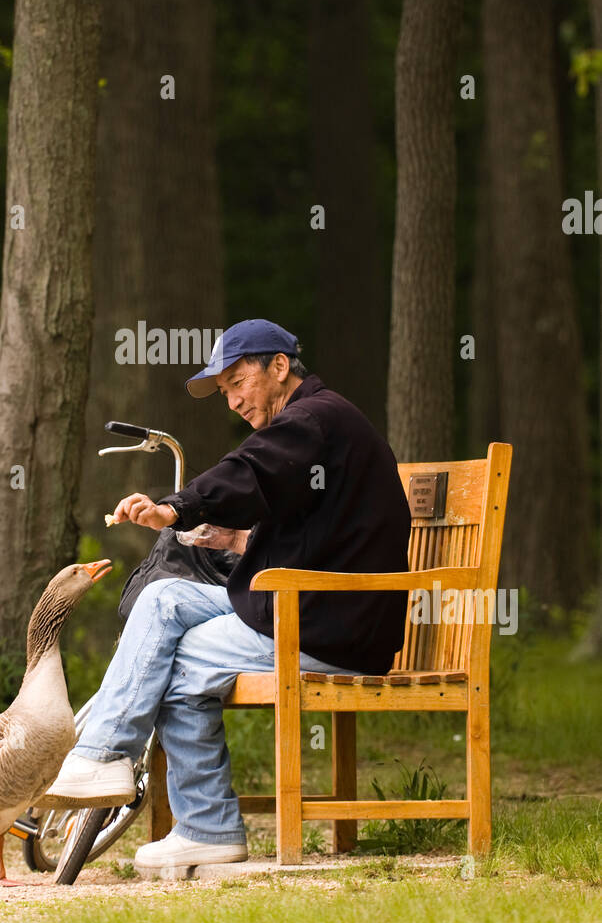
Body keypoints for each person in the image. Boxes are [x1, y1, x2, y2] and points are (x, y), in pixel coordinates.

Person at [44, 318, 411, 873]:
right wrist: (233, 537)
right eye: (225, 392)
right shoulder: (312, 427)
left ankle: (181, 807)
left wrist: (178, 506)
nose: (234, 401)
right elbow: (313, 526)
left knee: (167, 660)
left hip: (330, 622)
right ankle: (118, 766)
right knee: (164, 599)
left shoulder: (313, 418)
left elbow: (254, 469)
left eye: (239, 382)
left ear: (279, 367)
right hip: (303, 602)